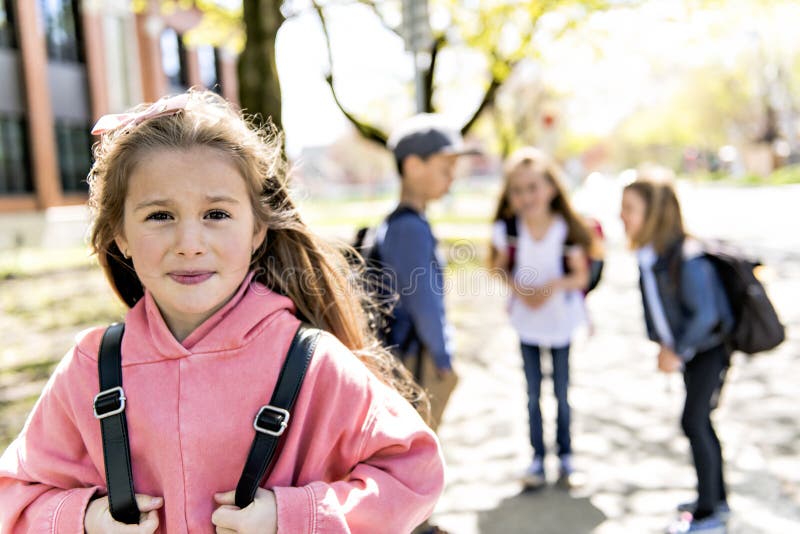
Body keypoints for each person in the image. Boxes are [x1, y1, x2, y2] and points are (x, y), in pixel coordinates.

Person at [0, 90, 445, 533]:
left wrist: (292, 515)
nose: (190, 242)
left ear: (257, 230)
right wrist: (84, 520)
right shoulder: (91, 368)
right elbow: (14, 495)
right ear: (120, 236)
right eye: (159, 216)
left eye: (216, 213)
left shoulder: (312, 361)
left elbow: (413, 473)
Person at [621, 172, 733, 534]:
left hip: (707, 350)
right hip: (691, 351)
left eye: (629, 209)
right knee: (700, 422)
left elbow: (706, 315)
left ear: (653, 213)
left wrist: (677, 349)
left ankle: (709, 513)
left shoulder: (685, 255)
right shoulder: (650, 253)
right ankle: (714, 498)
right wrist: (664, 345)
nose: (621, 216)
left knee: (694, 421)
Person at [489, 147, 597, 490]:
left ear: (550, 188)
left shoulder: (567, 230)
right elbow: (496, 267)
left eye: (532, 187)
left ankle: (566, 456)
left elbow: (580, 277)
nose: (525, 197)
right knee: (532, 392)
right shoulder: (508, 230)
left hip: (560, 321)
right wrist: (518, 289)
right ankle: (537, 457)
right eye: (517, 190)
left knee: (561, 392)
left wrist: (552, 286)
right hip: (526, 322)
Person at [379, 114, 475, 433]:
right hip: (413, 362)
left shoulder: (399, 223)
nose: (452, 178)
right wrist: (444, 358)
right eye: (445, 168)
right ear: (413, 166)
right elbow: (425, 303)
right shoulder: (410, 229)